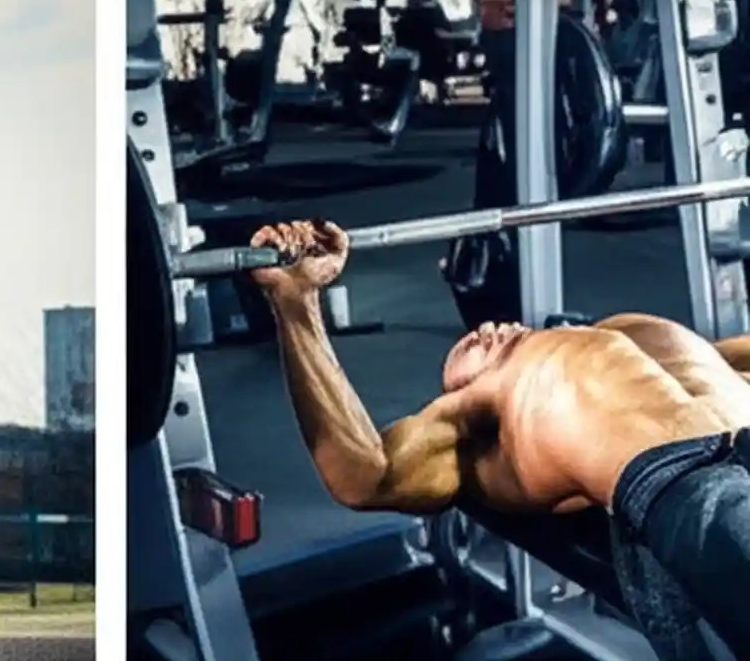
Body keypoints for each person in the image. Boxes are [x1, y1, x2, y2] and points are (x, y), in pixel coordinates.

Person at [251, 219, 750, 660]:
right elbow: (364, 475)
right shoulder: (480, 415)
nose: (483, 329)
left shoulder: (640, 341)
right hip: (690, 489)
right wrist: (296, 300)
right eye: (462, 351)